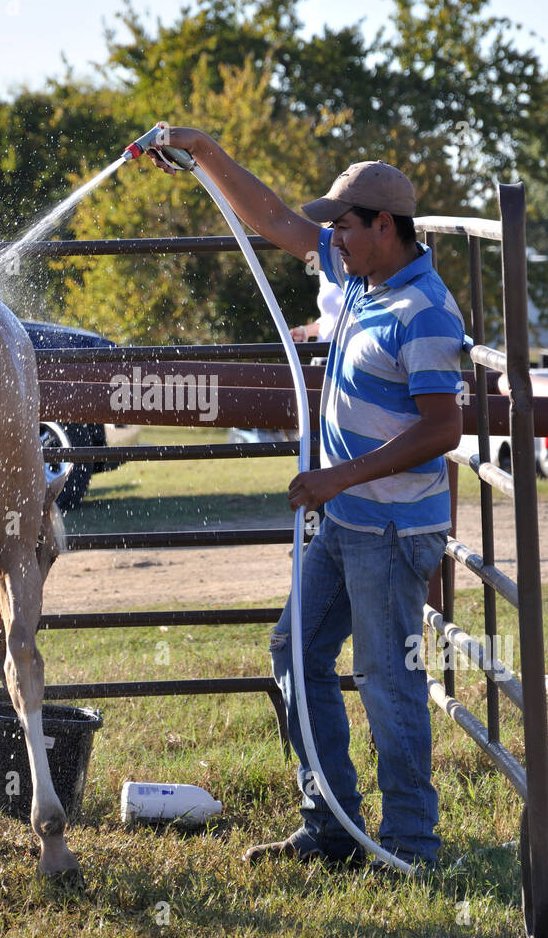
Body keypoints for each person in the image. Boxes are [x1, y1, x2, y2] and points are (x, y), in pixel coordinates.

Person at [147, 132, 465, 871]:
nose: (330, 239)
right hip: (350, 520)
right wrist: (206, 153)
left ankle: (411, 843)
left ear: (383, 225)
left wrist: (334, 479)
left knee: (387, 683)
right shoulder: (357, 276)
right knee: (295, 652)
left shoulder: (423, 312)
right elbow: (276, 221)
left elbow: (441, 430)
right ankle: (330, 826)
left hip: (387, 528)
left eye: (344, 226)